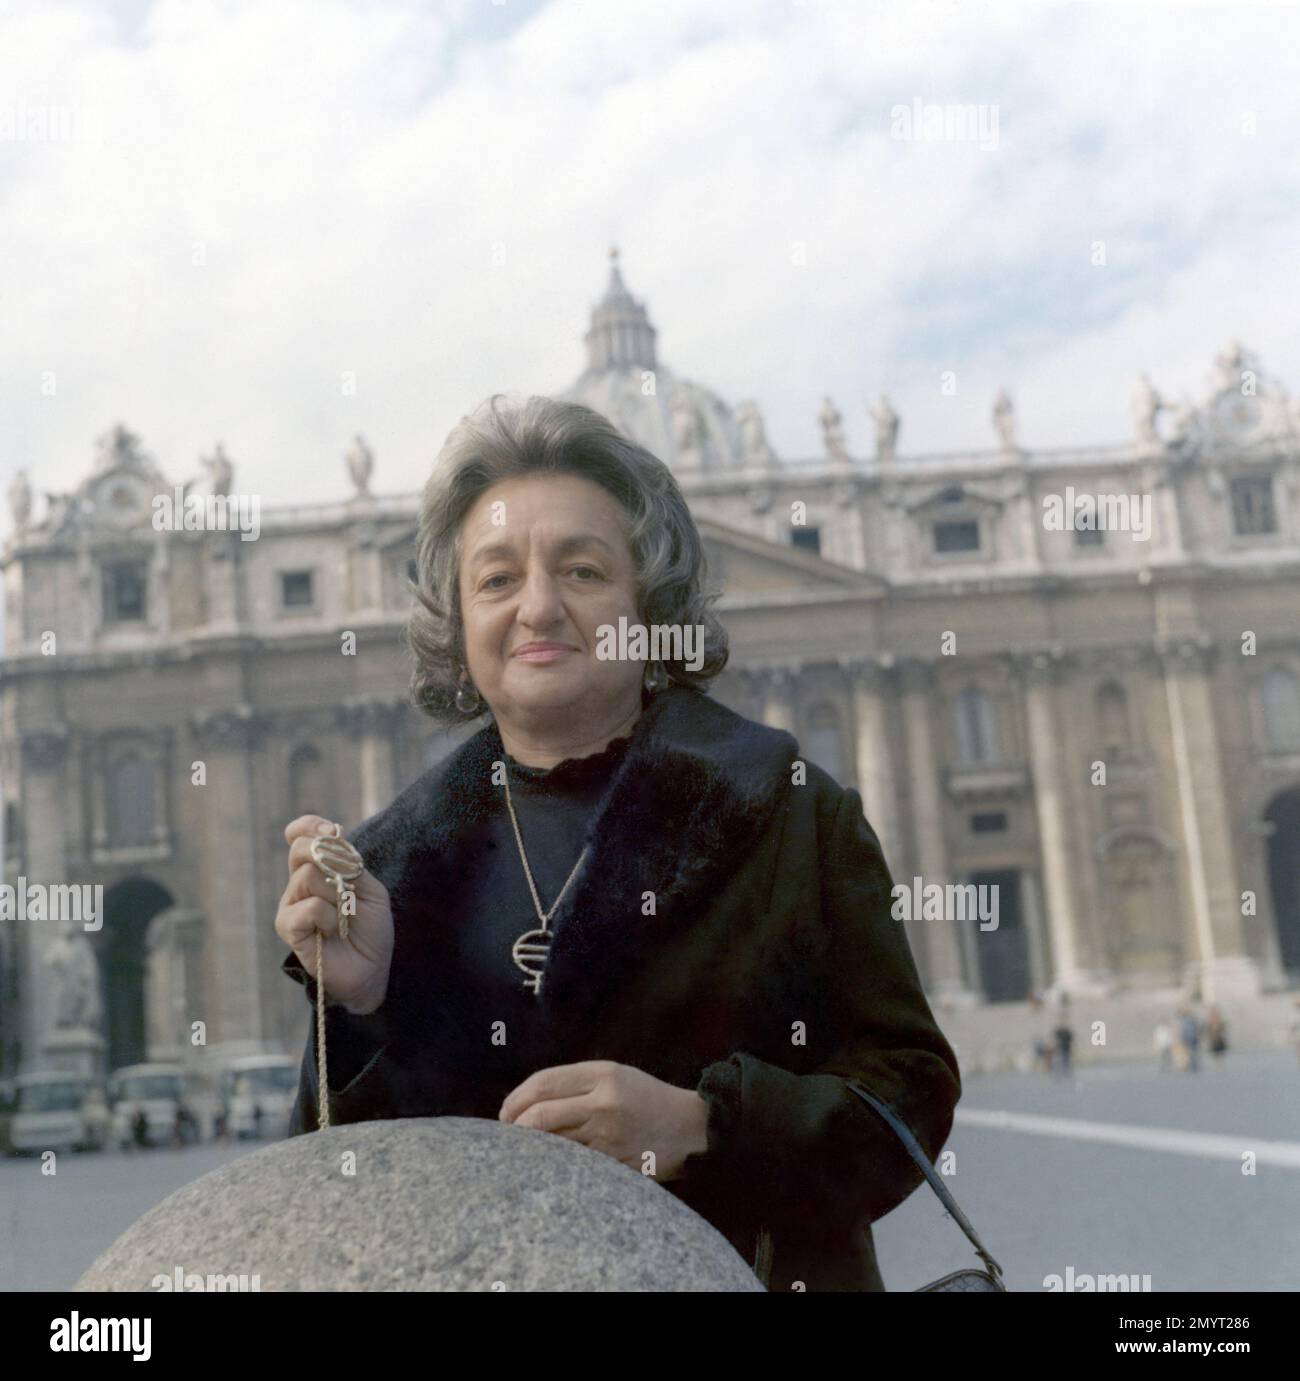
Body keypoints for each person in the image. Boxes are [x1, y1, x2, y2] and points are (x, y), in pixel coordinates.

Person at [275, 394, 961, 1292]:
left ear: (650, 601)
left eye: (584, 570)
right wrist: (360, 1008)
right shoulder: (395, 871)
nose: (540, 607)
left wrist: (707, 1125)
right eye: (495, 580)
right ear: (458, 623)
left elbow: (909, 1099)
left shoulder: (790, 812)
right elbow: (334, 1206)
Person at [1180, 1007, 1202, 1073]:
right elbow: (1184, 1032)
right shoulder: (1186, 1022)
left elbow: (1197, 1030)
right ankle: (1191, 1066)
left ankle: (1193, 1066)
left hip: (1192, 1040)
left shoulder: (1190, 1021)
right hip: (1189, 1040)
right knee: (1190, 1054)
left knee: (1193, 1053)